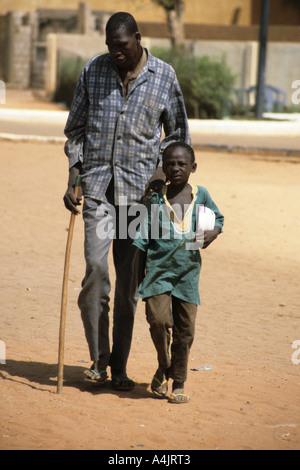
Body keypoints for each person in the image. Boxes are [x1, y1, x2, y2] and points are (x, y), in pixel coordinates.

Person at [63, 12, 191, 390]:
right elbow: (76, 130)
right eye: (109, 46)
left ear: (137, 38)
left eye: (122, 46)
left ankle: (117, 366)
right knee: (96, 272)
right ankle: (98, 359)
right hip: (99, 190)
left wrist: (160, 175)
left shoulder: (164, 76)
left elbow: (178, 133)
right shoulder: (94, 71)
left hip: (139, 198)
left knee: (127, 290)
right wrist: (74, 174)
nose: (115, 53)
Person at [133, 142, 224, 403]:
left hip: (188, 275)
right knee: (159, 322)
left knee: (185, 332)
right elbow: (141, 242)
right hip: (157, 274)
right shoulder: (154, 198)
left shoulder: (201, 194)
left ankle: (179, 383)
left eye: (181, 164)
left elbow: (218, 219)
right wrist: (138, 281)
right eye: (170, 163)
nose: (175, 168)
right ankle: (164, 365)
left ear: (193, 167)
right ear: (163, 167)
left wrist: (213, 232)